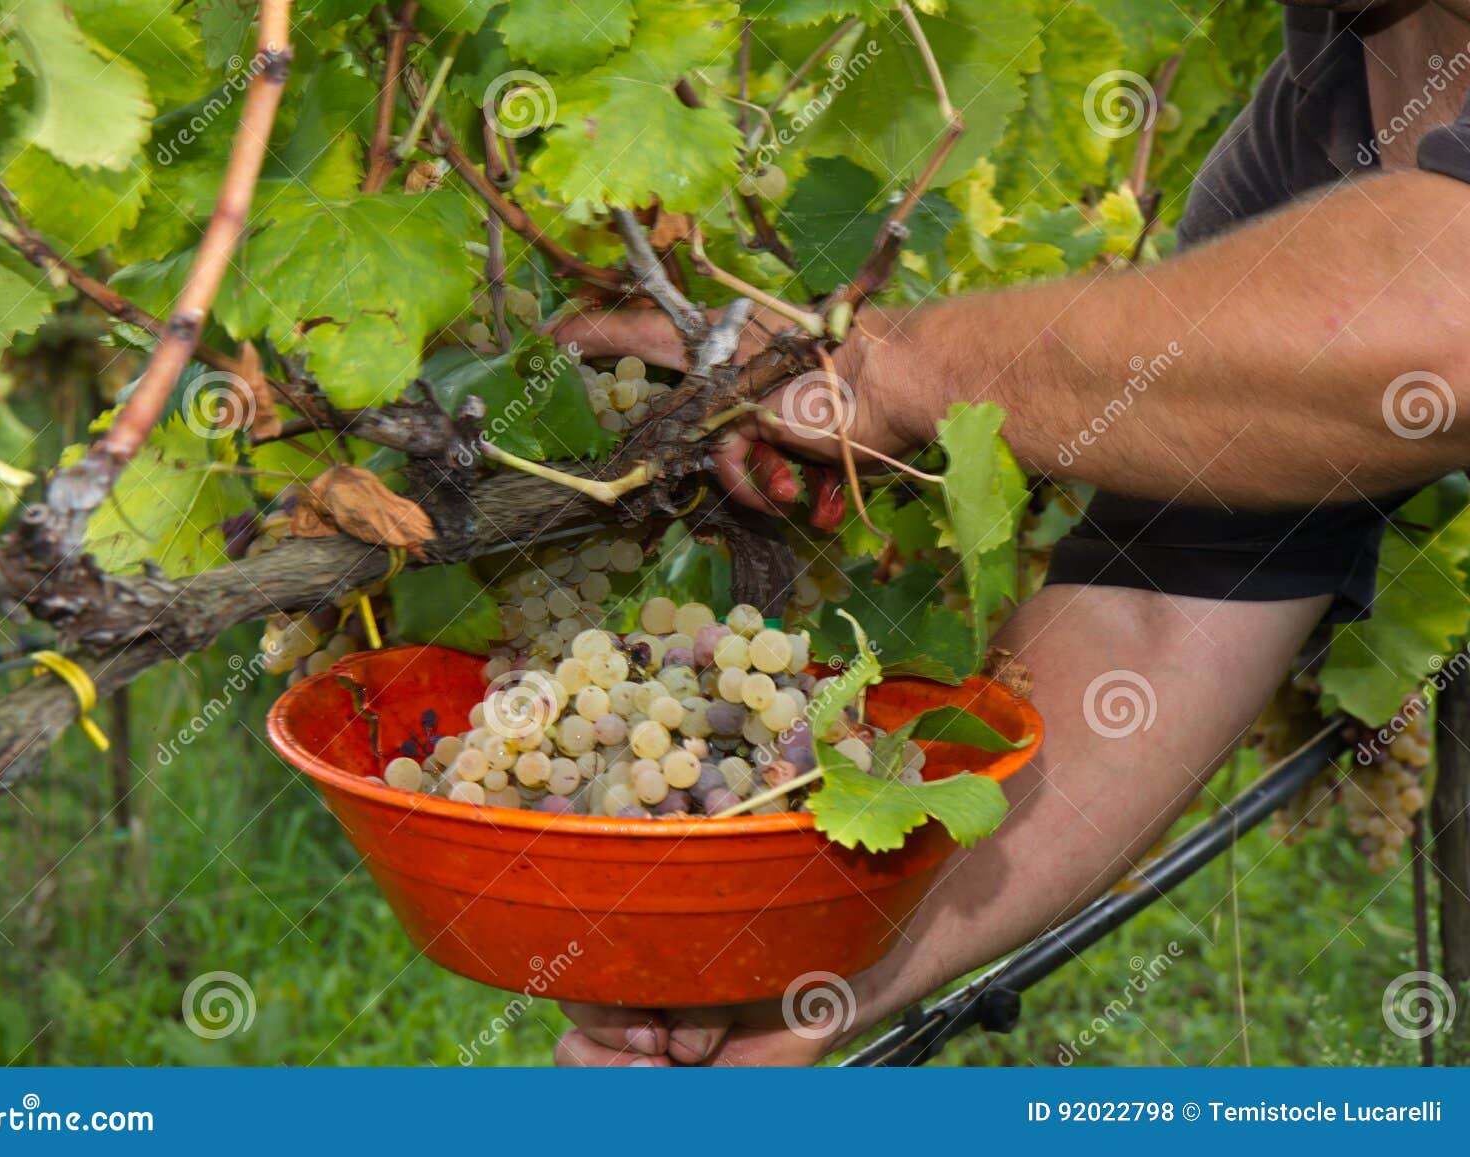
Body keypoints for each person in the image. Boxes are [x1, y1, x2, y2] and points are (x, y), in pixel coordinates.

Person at [546, 0, 1470, 1066]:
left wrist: (900, 367)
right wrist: (809, 973)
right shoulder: (1316, 111)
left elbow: (1441, 333)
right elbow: (1156, 621)